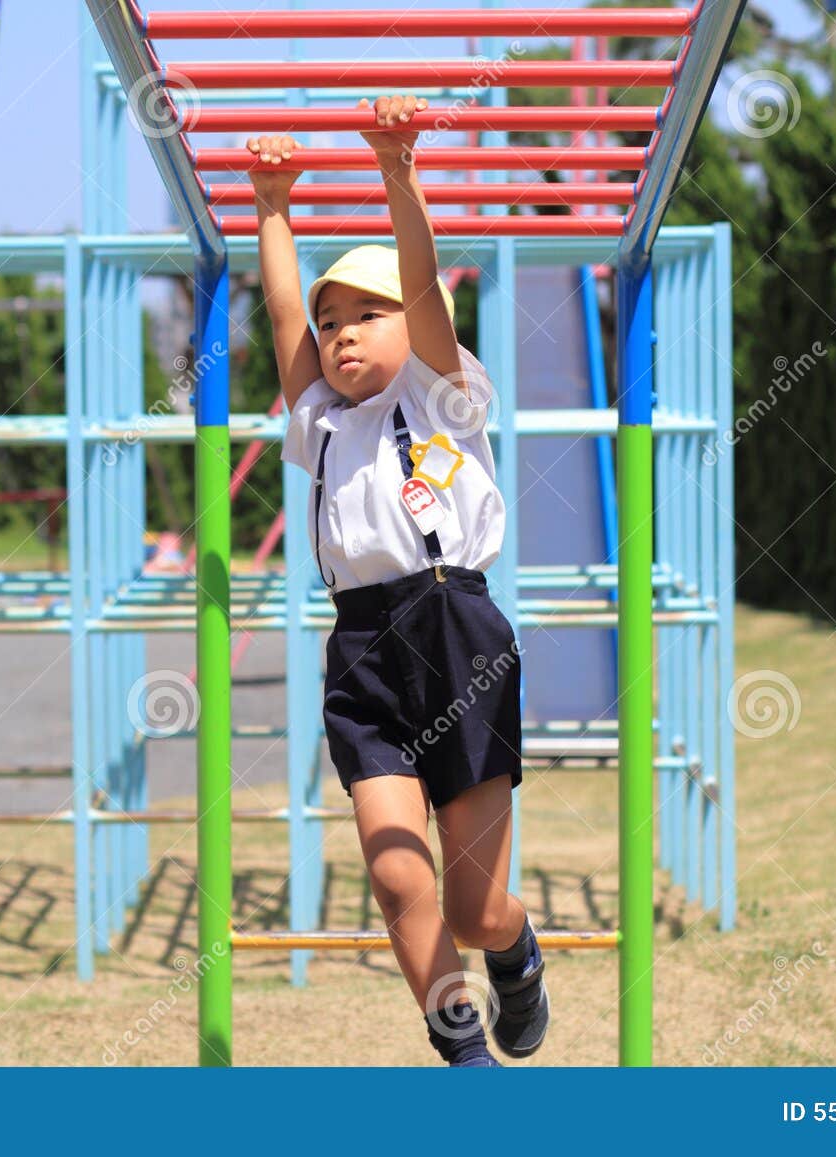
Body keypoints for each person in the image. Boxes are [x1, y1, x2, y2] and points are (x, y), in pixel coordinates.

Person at [249, 95, 546, 1068]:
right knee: (392, 871)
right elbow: (286, 313)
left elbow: (421, 290)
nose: (339, 336)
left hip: (453, 624)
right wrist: (272, 206)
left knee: (472, 899)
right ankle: (459, 1051)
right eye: (332, 323)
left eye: (362, 317)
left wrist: (396, 171)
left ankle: (512, 947)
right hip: (365, 643)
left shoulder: (442, 391)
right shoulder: (321, 420)